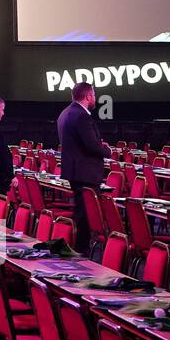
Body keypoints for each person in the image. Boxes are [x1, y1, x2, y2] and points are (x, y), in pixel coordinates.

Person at [57, 82, 112, 254]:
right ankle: (81, 253)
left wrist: (96, 144)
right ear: (88, 96)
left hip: (75, 171)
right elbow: (92, 147)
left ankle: (78, 250)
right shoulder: (81, 116)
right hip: (85, 173)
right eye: (94, 95)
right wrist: (107, 150)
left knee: (81, 212)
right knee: (84, 215)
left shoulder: (65, 113)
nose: (95, 98)